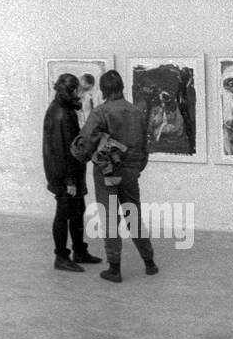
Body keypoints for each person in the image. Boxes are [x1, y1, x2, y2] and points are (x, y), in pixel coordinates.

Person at [74, 69, 159, 283]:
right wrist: (136, 169)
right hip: (130, 172)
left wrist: (78, 152)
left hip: (105, 172)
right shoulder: (136, 112)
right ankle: (149, 263)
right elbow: (145, 146)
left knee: (110, 219)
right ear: (121, 87)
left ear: (103, 90)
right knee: (133, 215)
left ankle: (114, 268)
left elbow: (86, 143)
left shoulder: (100, 113)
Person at [43, 74, 101, 272]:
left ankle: (79, 251)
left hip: (69, 173)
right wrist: (70, 181)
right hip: (65, 175)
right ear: (71, 90)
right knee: (64, 214)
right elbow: (63, 150)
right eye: (78, 89)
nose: (80, 93)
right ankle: (61, 257)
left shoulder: (61, 109)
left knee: (77, 212)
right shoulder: (62, 114)